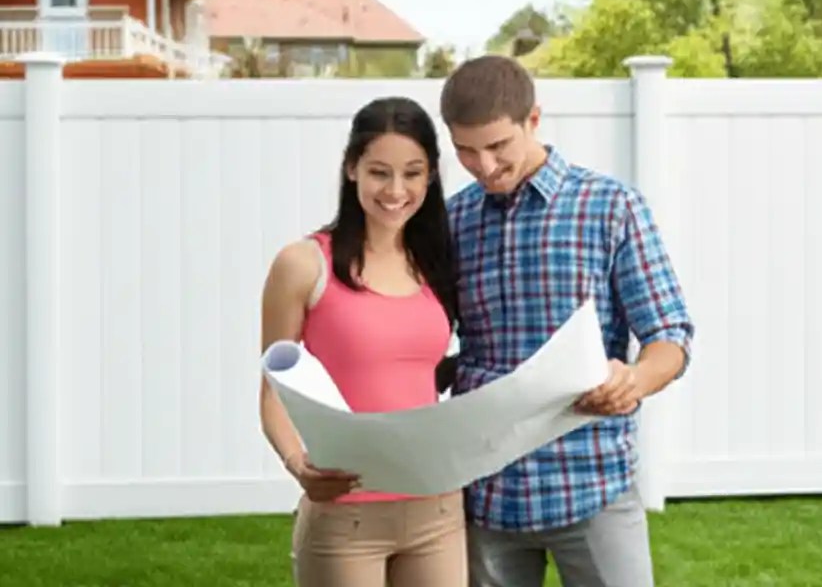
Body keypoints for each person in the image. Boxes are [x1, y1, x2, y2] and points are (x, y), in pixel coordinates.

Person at [438, 55, 695, 587]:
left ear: (533, 120)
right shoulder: (452, 221)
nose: (484, 166)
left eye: (498, 146)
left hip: (590, 480)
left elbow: (670, 334)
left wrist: (633, 380)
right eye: (465, 150)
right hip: (487, 491)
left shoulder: (610, 207)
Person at [258, 96, 467, 587]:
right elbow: (272, 394)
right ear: (351, 168)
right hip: (344, 514)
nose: (395, 191)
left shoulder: (436, 260)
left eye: (412, 174)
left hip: (437, 509)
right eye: (379, 172)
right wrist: (298, 465)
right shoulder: (304, 264)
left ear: (431, 176)